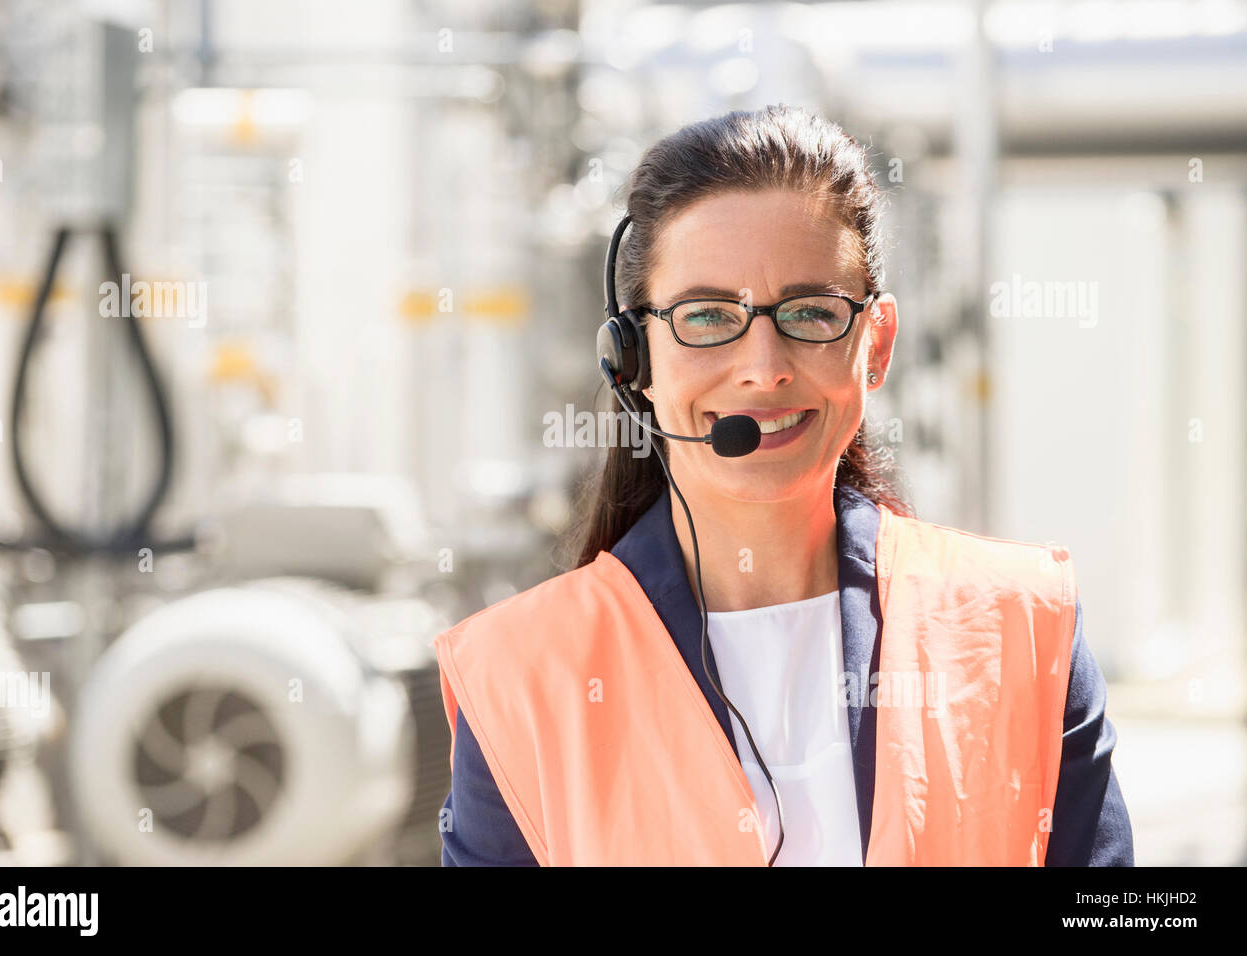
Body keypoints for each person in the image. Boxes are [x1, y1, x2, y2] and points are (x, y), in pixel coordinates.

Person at [432, 104, 1134, 866]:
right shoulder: (522, 675)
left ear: (877, 344)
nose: (763, 365)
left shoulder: (1022, 625)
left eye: (809, 312)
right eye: (706, 316)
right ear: (634, 361)